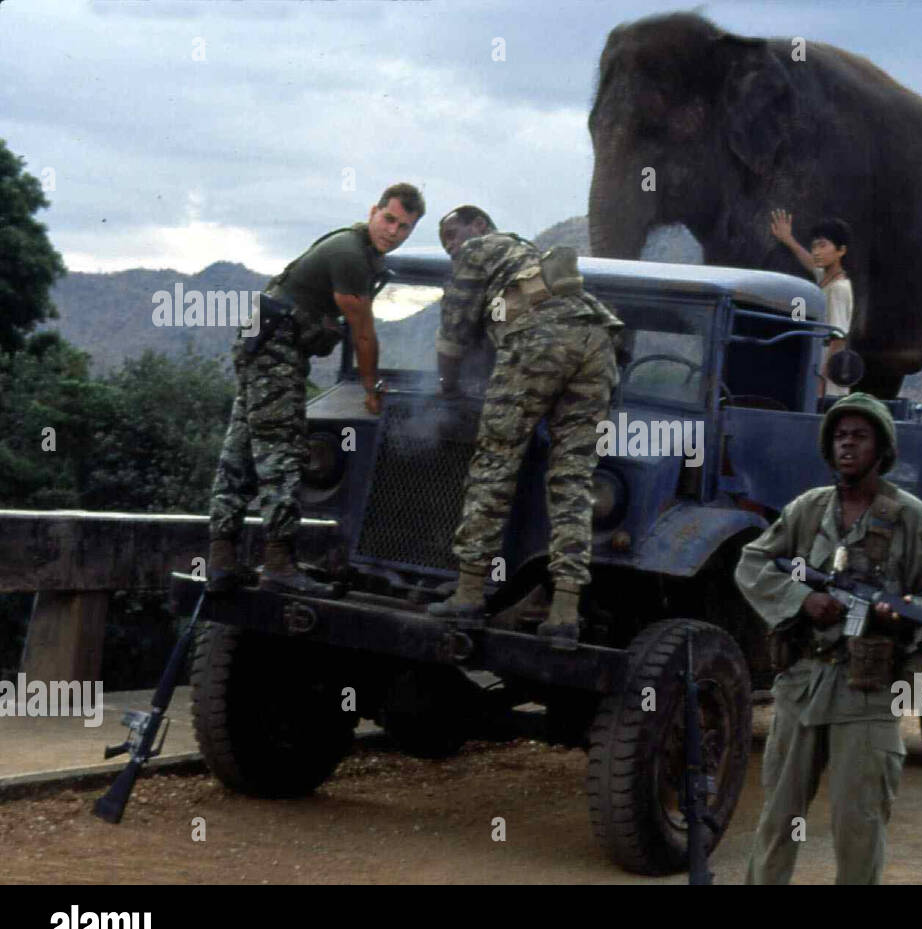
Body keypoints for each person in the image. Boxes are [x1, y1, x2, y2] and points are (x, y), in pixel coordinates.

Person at [734, 393, 922, 884]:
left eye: (859, 436)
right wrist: (800, 600)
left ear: (882, 448)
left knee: (860, 828)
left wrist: (901, 616)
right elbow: (751, 562)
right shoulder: (808, 510)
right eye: (840, 436)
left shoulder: (911, 518)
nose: (847, 445)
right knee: (778, 821)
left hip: (867, 692)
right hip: (800, 686)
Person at [207, 183, 424, 595]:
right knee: (283, 453)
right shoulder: (349, 254)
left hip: (266, 346)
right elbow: (362, 332)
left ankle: (220, 562)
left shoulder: (362, 253)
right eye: (389, 219)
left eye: (405, 227)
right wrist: (371, 388)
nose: (394, 231)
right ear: (373, 211)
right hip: (274, 350)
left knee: (239, 453)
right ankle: (279, 565)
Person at [429, 204, 622, 647]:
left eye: (453, 235)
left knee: (494, 463)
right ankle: (565, 611)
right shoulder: (529, 255)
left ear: (478, 226)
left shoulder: (479, 249)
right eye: (446, 243)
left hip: (540, 338)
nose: (452, 247)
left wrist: (446, 386)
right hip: (596, 343)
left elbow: (453, 330)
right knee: (573, 479)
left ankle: (470, 592)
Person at [769, 210, 854, 397]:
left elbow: (838, 339)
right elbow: (811, 263)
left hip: (827, 384)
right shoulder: (826, 278)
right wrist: (788, 239)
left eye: (823, 246)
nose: (816, 252)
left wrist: (821, 382)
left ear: (841, 251)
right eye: (814, 246)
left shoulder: (839, 289)